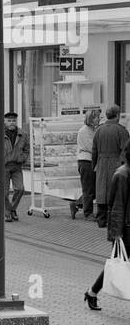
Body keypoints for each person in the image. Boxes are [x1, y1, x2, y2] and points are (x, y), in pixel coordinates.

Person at [85, 141, 130, 311]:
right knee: (117, 264)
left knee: (116, 263)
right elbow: (117, 207)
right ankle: (92, 292)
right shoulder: (122, 175)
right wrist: (116, 233)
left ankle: (92, 292)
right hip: (126, 229)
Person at [92, 106, 129, 229]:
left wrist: (94, 165)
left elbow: (94, 150)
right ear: (117, 115)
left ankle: (101, 219)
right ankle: (112, 220)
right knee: (114, 191)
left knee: (101, 191)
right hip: (116, 163)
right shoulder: (121, 131)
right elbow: (125, 150)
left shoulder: (99, 130)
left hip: (101, 163)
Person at [71, 108, 101, 221]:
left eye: (99, 117)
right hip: (86, 161)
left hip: (91, 161)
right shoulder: (84, 131)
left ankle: (76, 204)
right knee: (88, 188)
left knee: (94, 189)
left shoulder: (94, 130)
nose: (99, 119)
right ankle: (88, 213)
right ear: (91, 119)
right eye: (97, 117)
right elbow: (91, 147)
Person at [3, 110, 29, 222]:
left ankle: (11, 209)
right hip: (3, 167)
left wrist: (22, 158)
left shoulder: (23, 134)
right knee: (3, 192)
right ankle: (8, 213)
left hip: (17, 166)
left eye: (13, 120)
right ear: (5, 121)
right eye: (9, 120)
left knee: (20, 189)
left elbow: (27, 149)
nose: (11, 122)